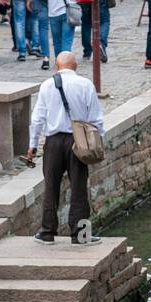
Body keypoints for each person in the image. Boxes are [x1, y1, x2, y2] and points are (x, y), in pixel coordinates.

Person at [26, 50, 105, 244]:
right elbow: (96, 119)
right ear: (75, 66)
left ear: (56, 66)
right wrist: (99, 144)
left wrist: (32, 146)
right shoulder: (86, 85)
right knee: (79, 188)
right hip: (78, 141)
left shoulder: (46, 85)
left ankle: (46, 232)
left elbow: (37, 119)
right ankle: (80, 234)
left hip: (53, 142)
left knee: (51, 187)